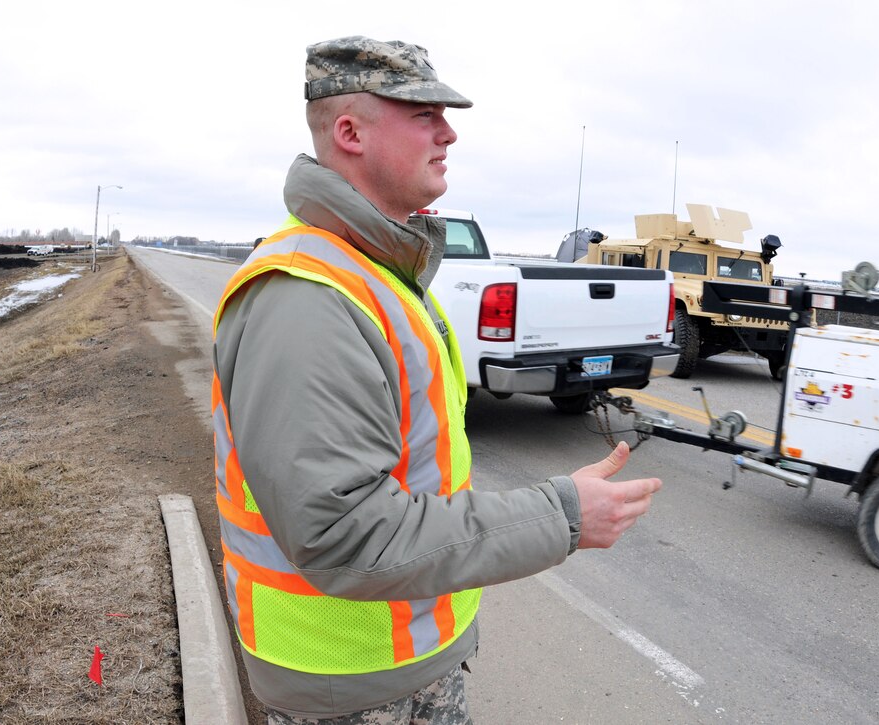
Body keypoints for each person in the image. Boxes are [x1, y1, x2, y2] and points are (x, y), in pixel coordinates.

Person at [211, 35, 663, 724]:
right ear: (350, 131)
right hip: (349, 687)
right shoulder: (307, 296)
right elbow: (345, 534)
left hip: (400, 668)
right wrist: (561, 514)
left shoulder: (381, 271)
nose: (448, 132)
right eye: (423, 113)